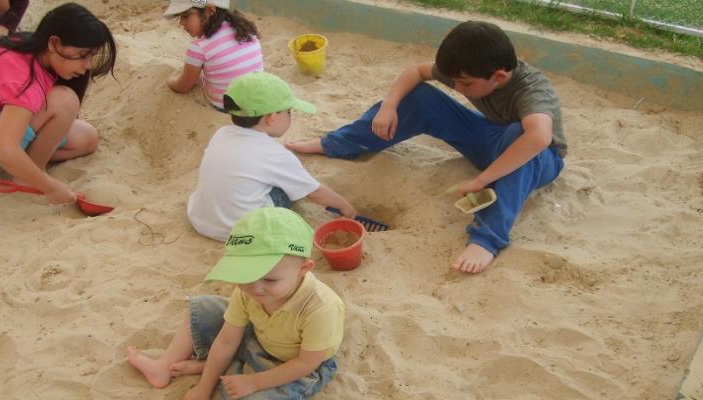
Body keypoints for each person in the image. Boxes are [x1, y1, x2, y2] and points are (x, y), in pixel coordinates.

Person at [287, 21, 567, 274]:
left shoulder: (532, 89)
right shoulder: (470, 69)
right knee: (420, 97)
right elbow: (417, 71)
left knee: (521, 134)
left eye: (465, 83)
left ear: (500, 77)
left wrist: (482, 179)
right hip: (493, 137)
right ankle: (336, 144)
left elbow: (539, 138)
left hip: (538, 161)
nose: (457, 88)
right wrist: (390, 105)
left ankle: (487, 240)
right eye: (454, 80)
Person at [128, 207, 345, 400]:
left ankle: (223, 369)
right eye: (245, 276)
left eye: (270, 279)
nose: (255, 288)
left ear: (303, 269)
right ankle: (163, 367)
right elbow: (226, 341)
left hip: (295, 364)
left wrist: (254, 382)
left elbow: (306, 364)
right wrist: (204, 388)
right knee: (203, 309)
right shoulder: (248, 291)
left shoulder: (321, 308)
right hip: (259, 337)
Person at [187, 71, 357, 241]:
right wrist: (345, 207)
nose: (290, 116)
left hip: (201, 220)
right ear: (271, 118)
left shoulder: (221, 133)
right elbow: (314, 192)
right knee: (284, 188)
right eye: (289, 112)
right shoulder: (274, 155)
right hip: (242, 232)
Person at [0, 2, 116, 201]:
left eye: (91, 56)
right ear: (53, 44)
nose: (87, 65)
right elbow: (3, 149)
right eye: (83, 55)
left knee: (86, 138)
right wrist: (51, 187)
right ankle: (25, 178)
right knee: (64, 101)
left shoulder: (32, 50)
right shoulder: (22, 74)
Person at [164, 0, 263, 111]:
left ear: (210, 10)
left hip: (226, 107)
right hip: (258, 100)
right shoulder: (245, 30)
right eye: (179, 17)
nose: (181, 23)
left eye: (186, 16)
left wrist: (169, 80)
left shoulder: (199, 47)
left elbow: (183, 86)